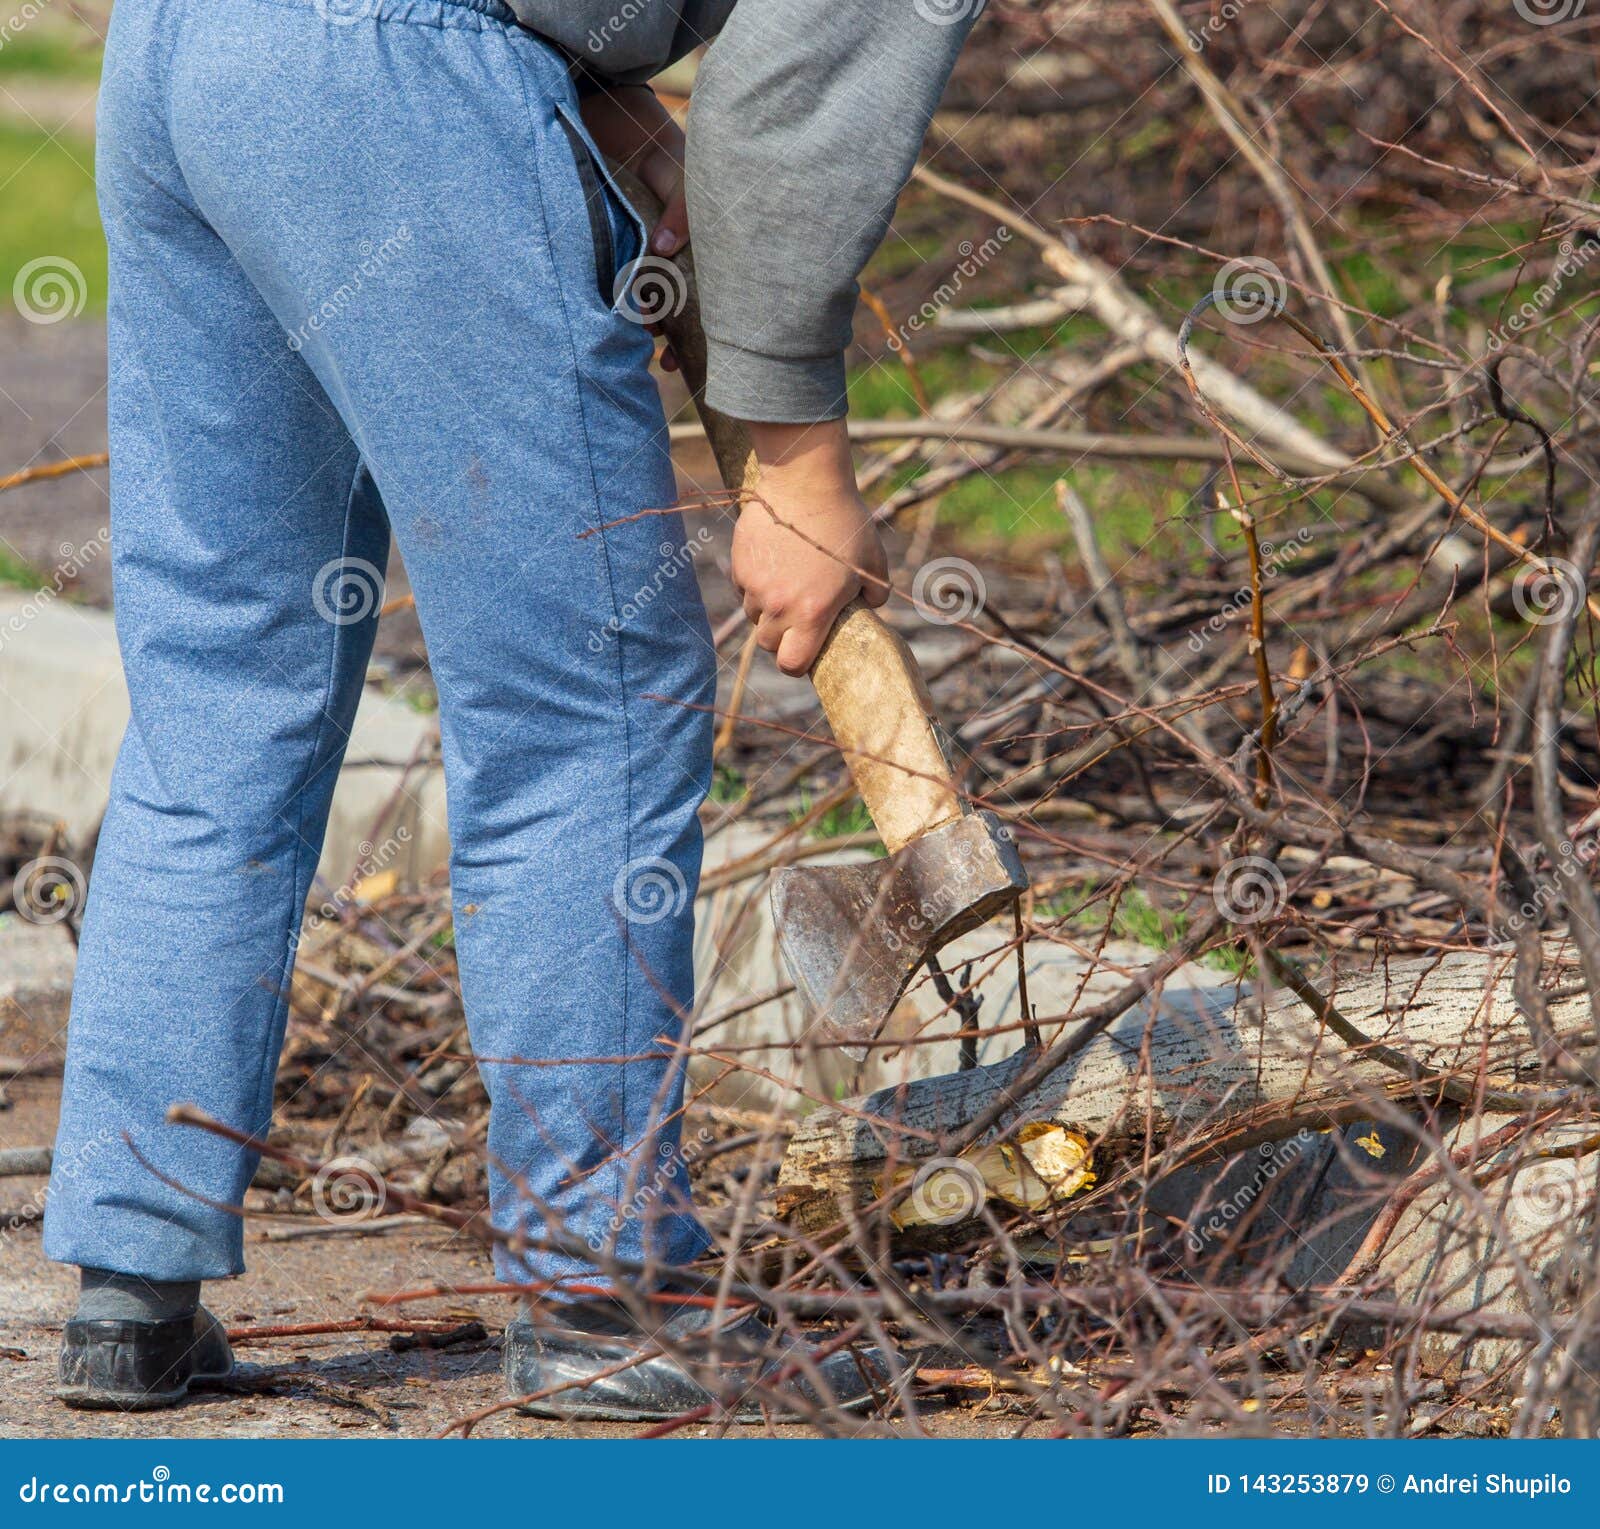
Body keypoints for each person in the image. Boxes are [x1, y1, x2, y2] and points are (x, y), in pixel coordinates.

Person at [46, 0, 975, 1419]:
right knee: (585, 695)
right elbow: (805, 68)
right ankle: (604, 1295)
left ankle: (129, 1280)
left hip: (184, 49)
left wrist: (604, 104)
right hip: (388, 81)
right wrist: (792, 452)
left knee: (224, 682)